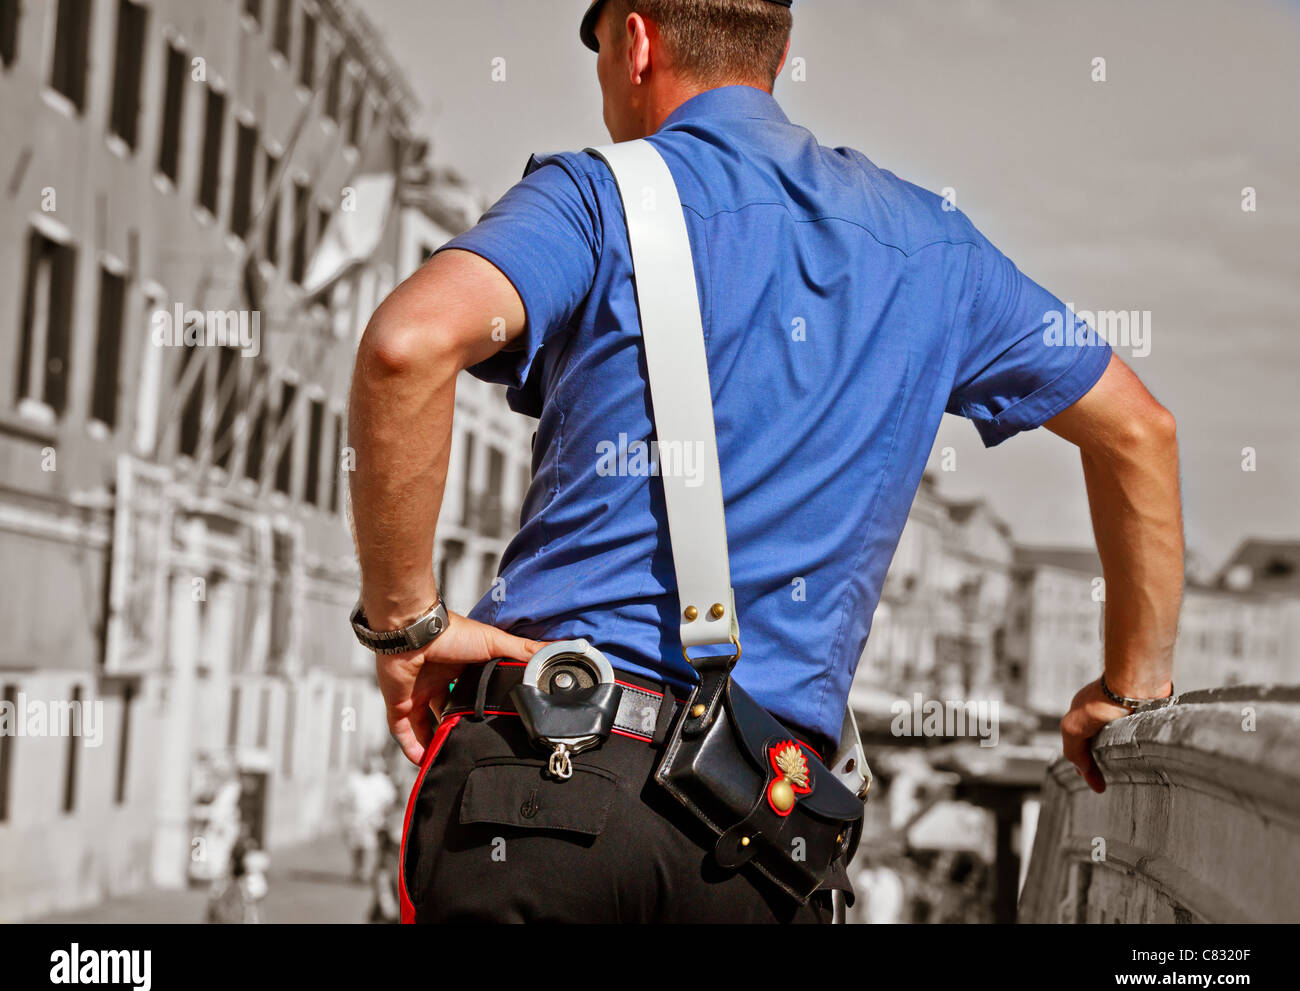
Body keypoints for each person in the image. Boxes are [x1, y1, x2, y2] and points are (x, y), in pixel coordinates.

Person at [347, 0, 1182, 922]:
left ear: (635, 43)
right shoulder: (936, 249)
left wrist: (404, 625)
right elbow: (1140, 432)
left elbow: (407, 344)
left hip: (545, 796)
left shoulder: (593, 198)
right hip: (756, 839)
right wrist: (1127, 688)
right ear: (780, 50)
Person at [341, 754, 397, 882]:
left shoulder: (382, 780)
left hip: (374, 819)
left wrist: (381, 814)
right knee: (356, 847)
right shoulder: (354, 779)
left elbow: (389, 800)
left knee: (369, 846)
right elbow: (344, 798)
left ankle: (366, 871)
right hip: (355, 818)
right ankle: (357, 869)